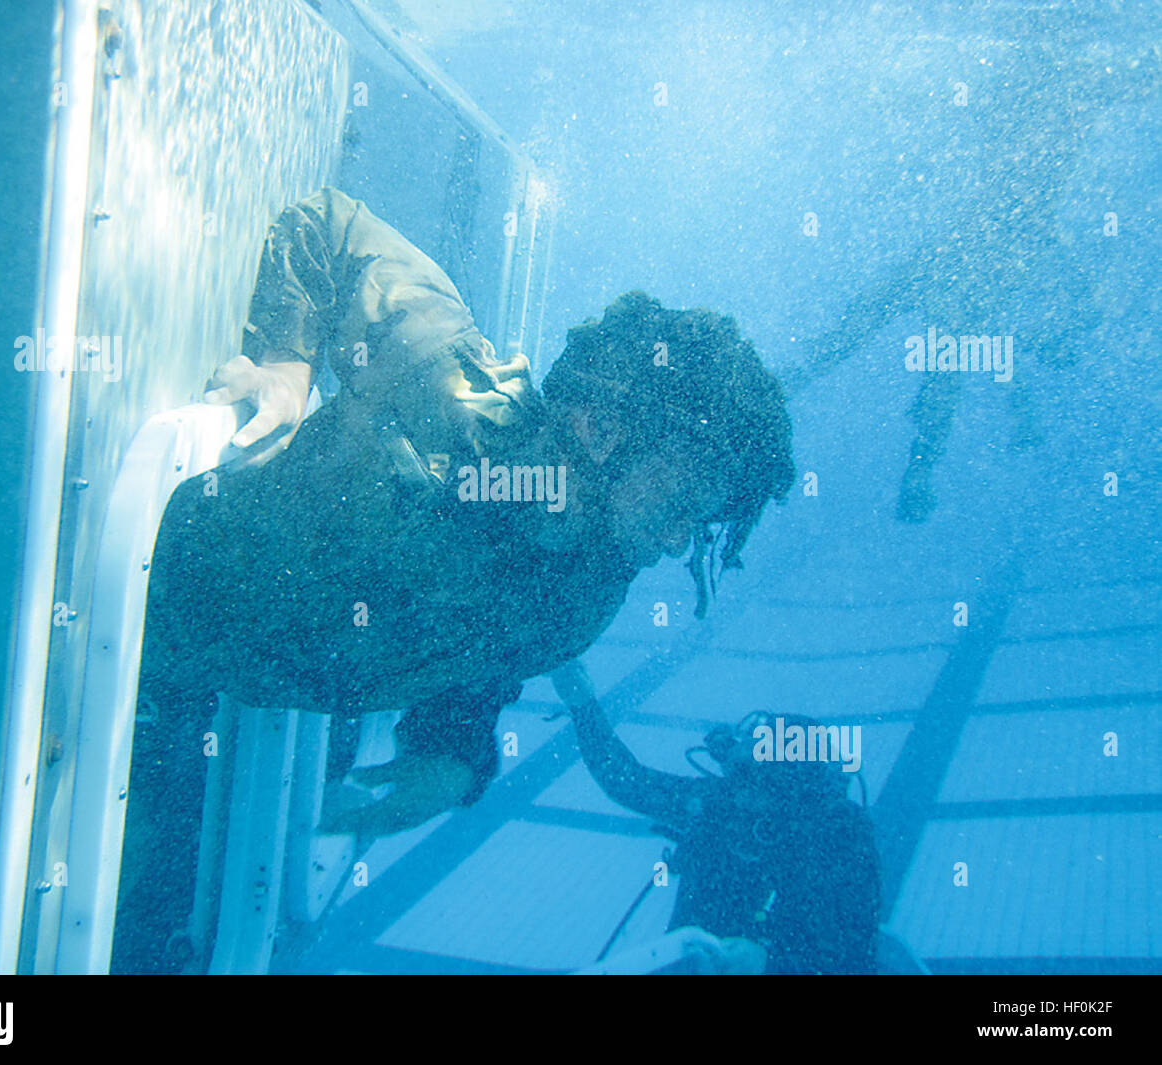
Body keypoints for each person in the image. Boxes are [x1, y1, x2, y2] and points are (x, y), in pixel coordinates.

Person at [114, 187, 794, 969]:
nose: (679, 541)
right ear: (601, 427)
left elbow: (488, 658)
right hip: (133, 570)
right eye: (679, 502)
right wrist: (285, 361)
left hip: (187, 686)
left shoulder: (589, 595)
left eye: (699, 525)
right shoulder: (465, 403)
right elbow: (332, 225)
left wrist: (453, 749)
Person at [555, 662, 880, 974]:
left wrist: (770, 963)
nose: (739, 794)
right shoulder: (721, 805)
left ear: (794, 794)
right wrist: (582, 704)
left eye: (756, 780)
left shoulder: (839, 838)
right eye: (738, 774)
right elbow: (627, 782)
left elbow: (852, 957)